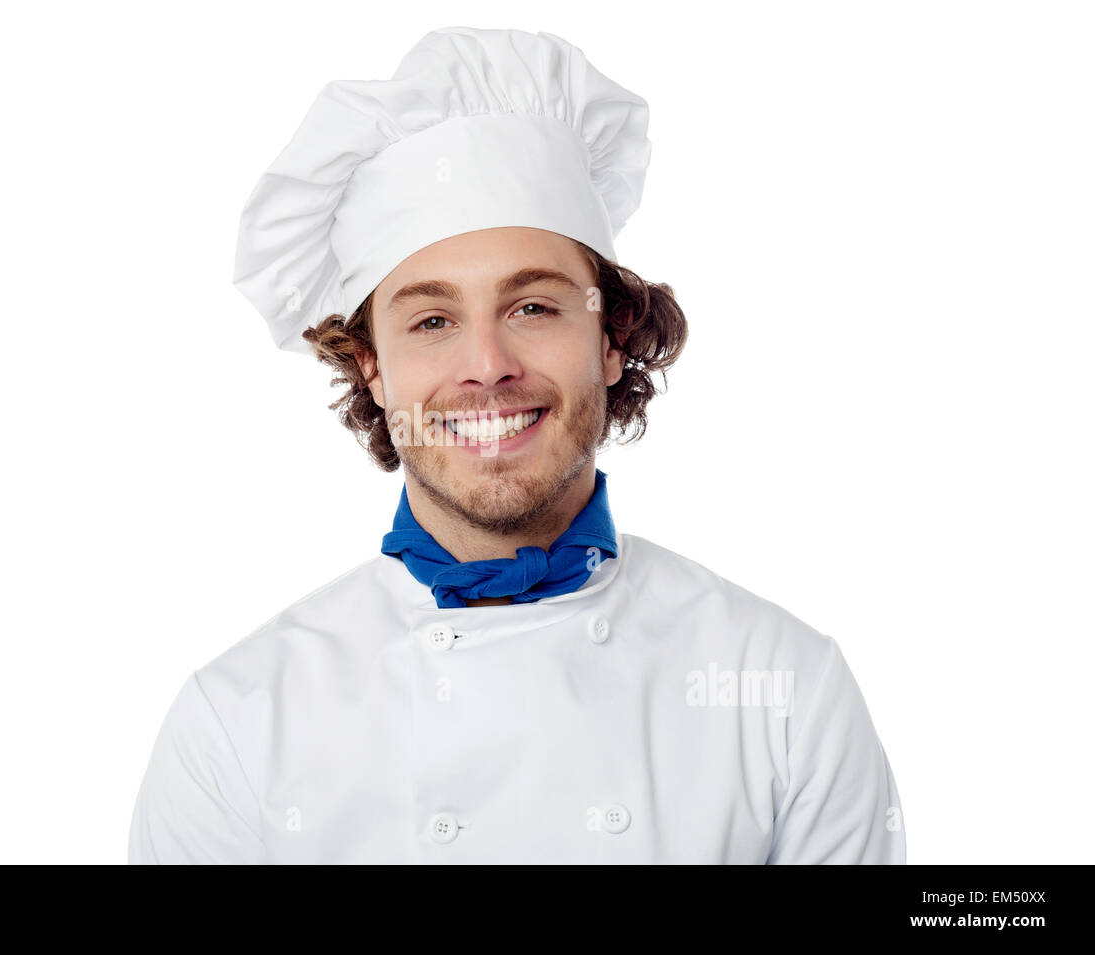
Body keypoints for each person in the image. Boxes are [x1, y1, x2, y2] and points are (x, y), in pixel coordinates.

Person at [127, 25, 906, 864]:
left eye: (533, 306)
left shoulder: (786, 692)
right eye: (432, 321)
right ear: (373, 368)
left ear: (612, 337)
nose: (488, 367)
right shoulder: (236, 726)